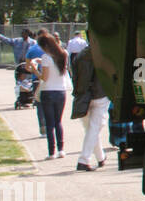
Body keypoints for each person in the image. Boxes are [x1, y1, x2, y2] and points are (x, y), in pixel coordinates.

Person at [71, 43, 109, 171]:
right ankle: (84, 159)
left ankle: (100, 157)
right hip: (100, 93)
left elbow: (74, 76)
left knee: (91, 129)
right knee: (95, 127)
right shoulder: (103, 54)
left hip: (83, 95)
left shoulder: (80, 55)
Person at [35, 31, 70, 159]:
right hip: (61, 91)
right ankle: (61, 149)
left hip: (48, 91)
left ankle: (51, 152)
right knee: (58, 121)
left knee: (50, 123)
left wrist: (34, 70)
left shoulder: (46, 57)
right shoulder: (63, 54)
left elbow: (44, 78)